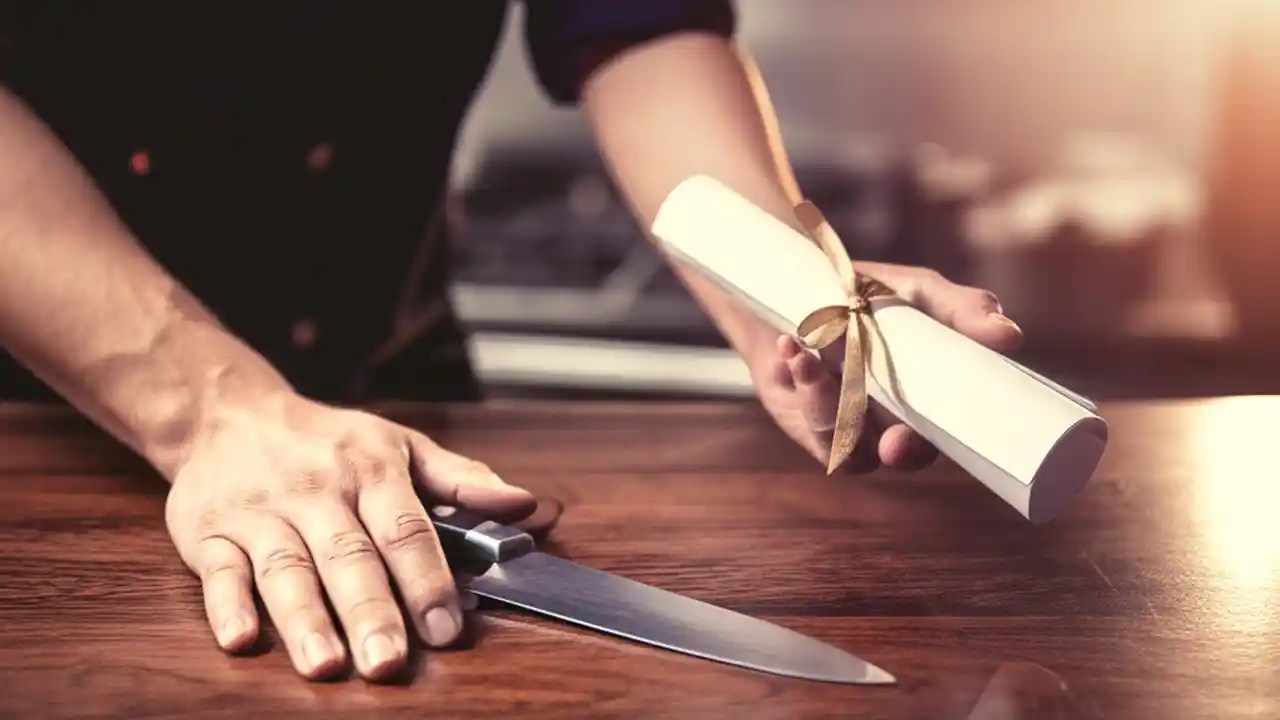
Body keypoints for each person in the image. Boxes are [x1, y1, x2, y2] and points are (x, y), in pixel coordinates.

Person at [0, 2, 1022, 682]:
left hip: (407, 410)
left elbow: (641, 26)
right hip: (44, 425)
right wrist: (214, 407)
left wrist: (800, 302)